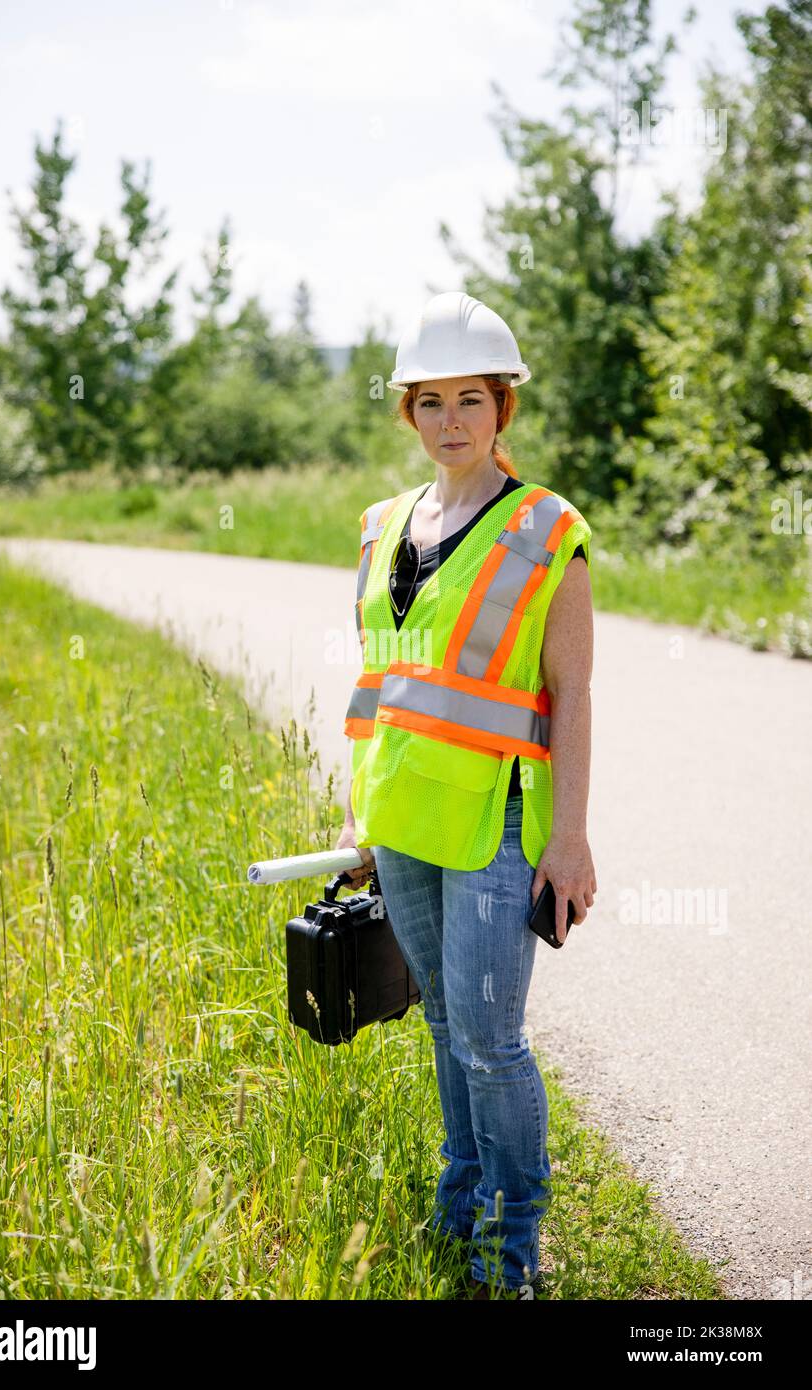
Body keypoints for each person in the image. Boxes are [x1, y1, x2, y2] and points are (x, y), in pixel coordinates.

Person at [335, 291, 597, 1298]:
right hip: (401, 816)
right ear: (408, 412)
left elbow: (572, 694)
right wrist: (360, 812)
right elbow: (377, 683)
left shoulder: (546, 529)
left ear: (503, 408)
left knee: (490, 1037)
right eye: (431, 399)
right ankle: (463, 1198)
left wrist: (567, 838)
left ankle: (513, 1243)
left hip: (498, 818)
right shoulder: (380, 525)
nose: (451, 419)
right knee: (446, 1025)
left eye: (472, 399)